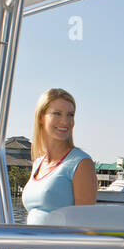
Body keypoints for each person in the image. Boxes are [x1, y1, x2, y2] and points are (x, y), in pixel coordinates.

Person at [21, 88, 96, 224]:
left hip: (58, 245)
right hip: (29, 244)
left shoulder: (81, 163)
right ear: (41, 118)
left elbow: (84, 224)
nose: (65, 121)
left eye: (70, 115)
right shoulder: (38, 163)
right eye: (57, 114)